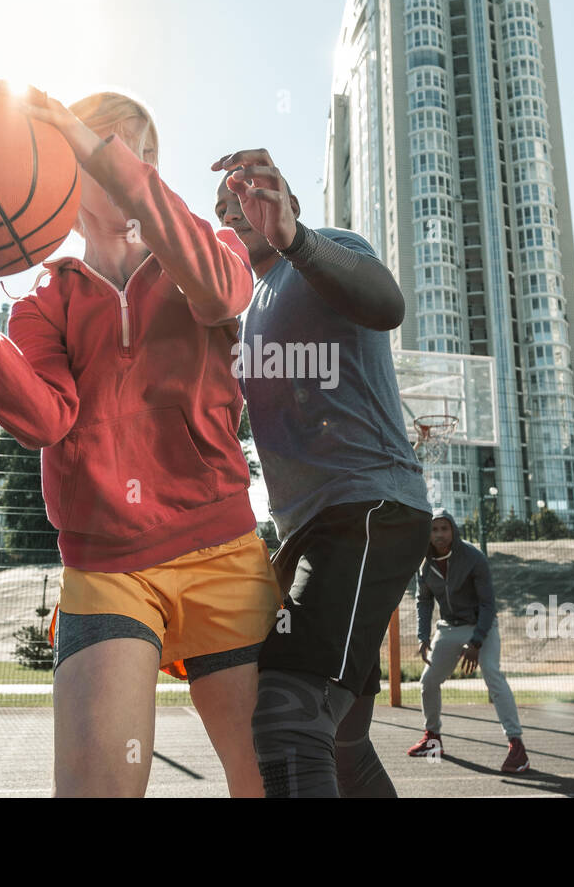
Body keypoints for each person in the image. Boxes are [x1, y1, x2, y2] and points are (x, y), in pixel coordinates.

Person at [0, 82, 279, 797]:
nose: (131, 164)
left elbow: (220, 295)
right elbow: (43, 420)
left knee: (279, 783)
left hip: (225, 552)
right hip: (107, 567)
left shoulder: (205, 252)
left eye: (144, 154)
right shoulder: (42, 301)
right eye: (111, 146)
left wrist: (104, 154)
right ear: (63, 171)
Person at [209, 148, 432, 797]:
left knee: (281, 713)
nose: (234, 212)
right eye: (222, 210)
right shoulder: (242, 318)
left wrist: (295, 240)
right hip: (308, 531)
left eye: (248, 199)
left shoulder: (326, 248)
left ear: (286, 205)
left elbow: (387, 304)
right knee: (339, 743)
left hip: (368, 512)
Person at [407, 510, 529, 773]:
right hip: (449, 627)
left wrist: (475, 643)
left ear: (453, 531)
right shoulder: (425, 564)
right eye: (434, 529)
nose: (439, 534)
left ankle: (517, 746)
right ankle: (432, 738)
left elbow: (487, 604)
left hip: (481, 625)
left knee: (493, 676)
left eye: (444, 529)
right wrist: (422, 636)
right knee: (428, 681)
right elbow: (424, 601)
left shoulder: (474, 558)